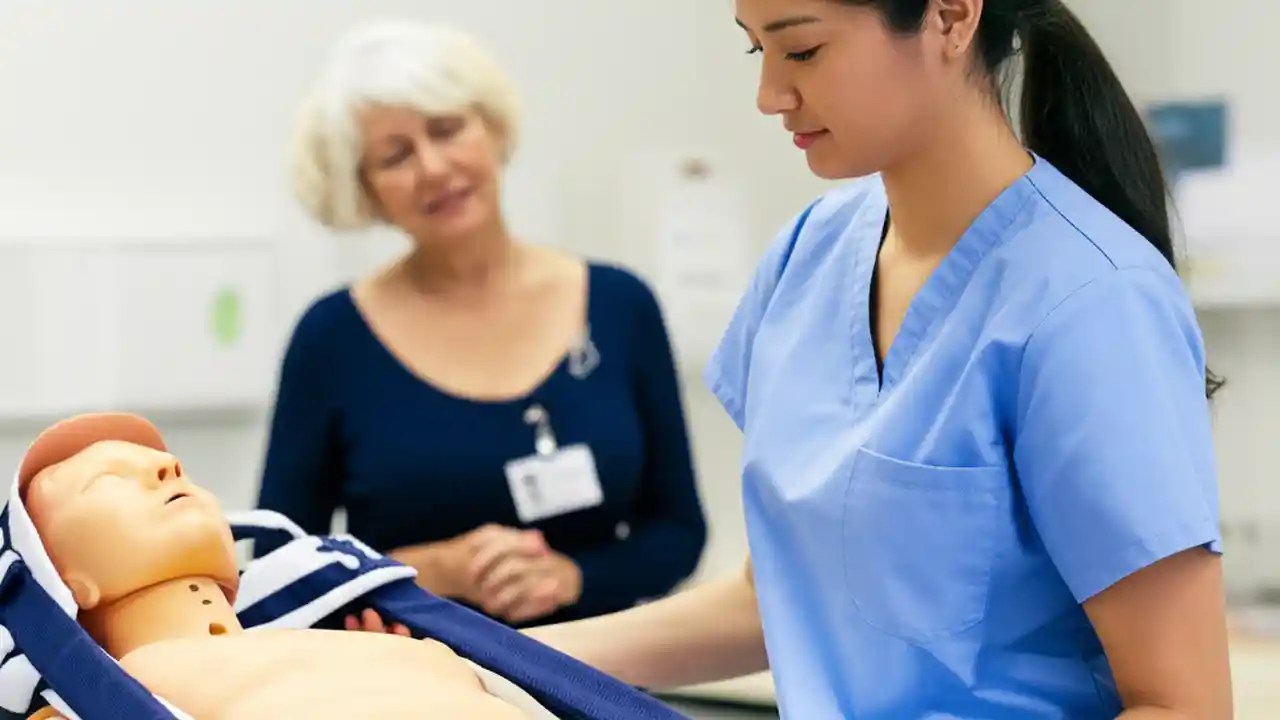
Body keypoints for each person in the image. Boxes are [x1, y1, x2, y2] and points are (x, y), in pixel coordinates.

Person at [514, 0, 1234, 717]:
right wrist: (494, 660)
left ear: (951, 17)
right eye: (753, 51)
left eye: (801, 52)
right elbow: (782, 600)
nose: (769, 96)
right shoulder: (809, 253)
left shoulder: (1092, 302)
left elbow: (1184, 706)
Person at [255, 19, 706, 628]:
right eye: (395, 156)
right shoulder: (332, 338)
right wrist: (435, 570)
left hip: (598, 686)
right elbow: (277, 571)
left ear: (492, 128)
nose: (435, 168)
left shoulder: (620, 306)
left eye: (447, 130)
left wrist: (573, 577)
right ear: (364, 190)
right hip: (410, 690)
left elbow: (678, 531)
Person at [13, 412, 542, 719]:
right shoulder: (98, 700)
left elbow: (546, 672)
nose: (166, 465)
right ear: (65, 584)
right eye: (108, 481)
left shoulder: (372, 639)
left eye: (175, 467)